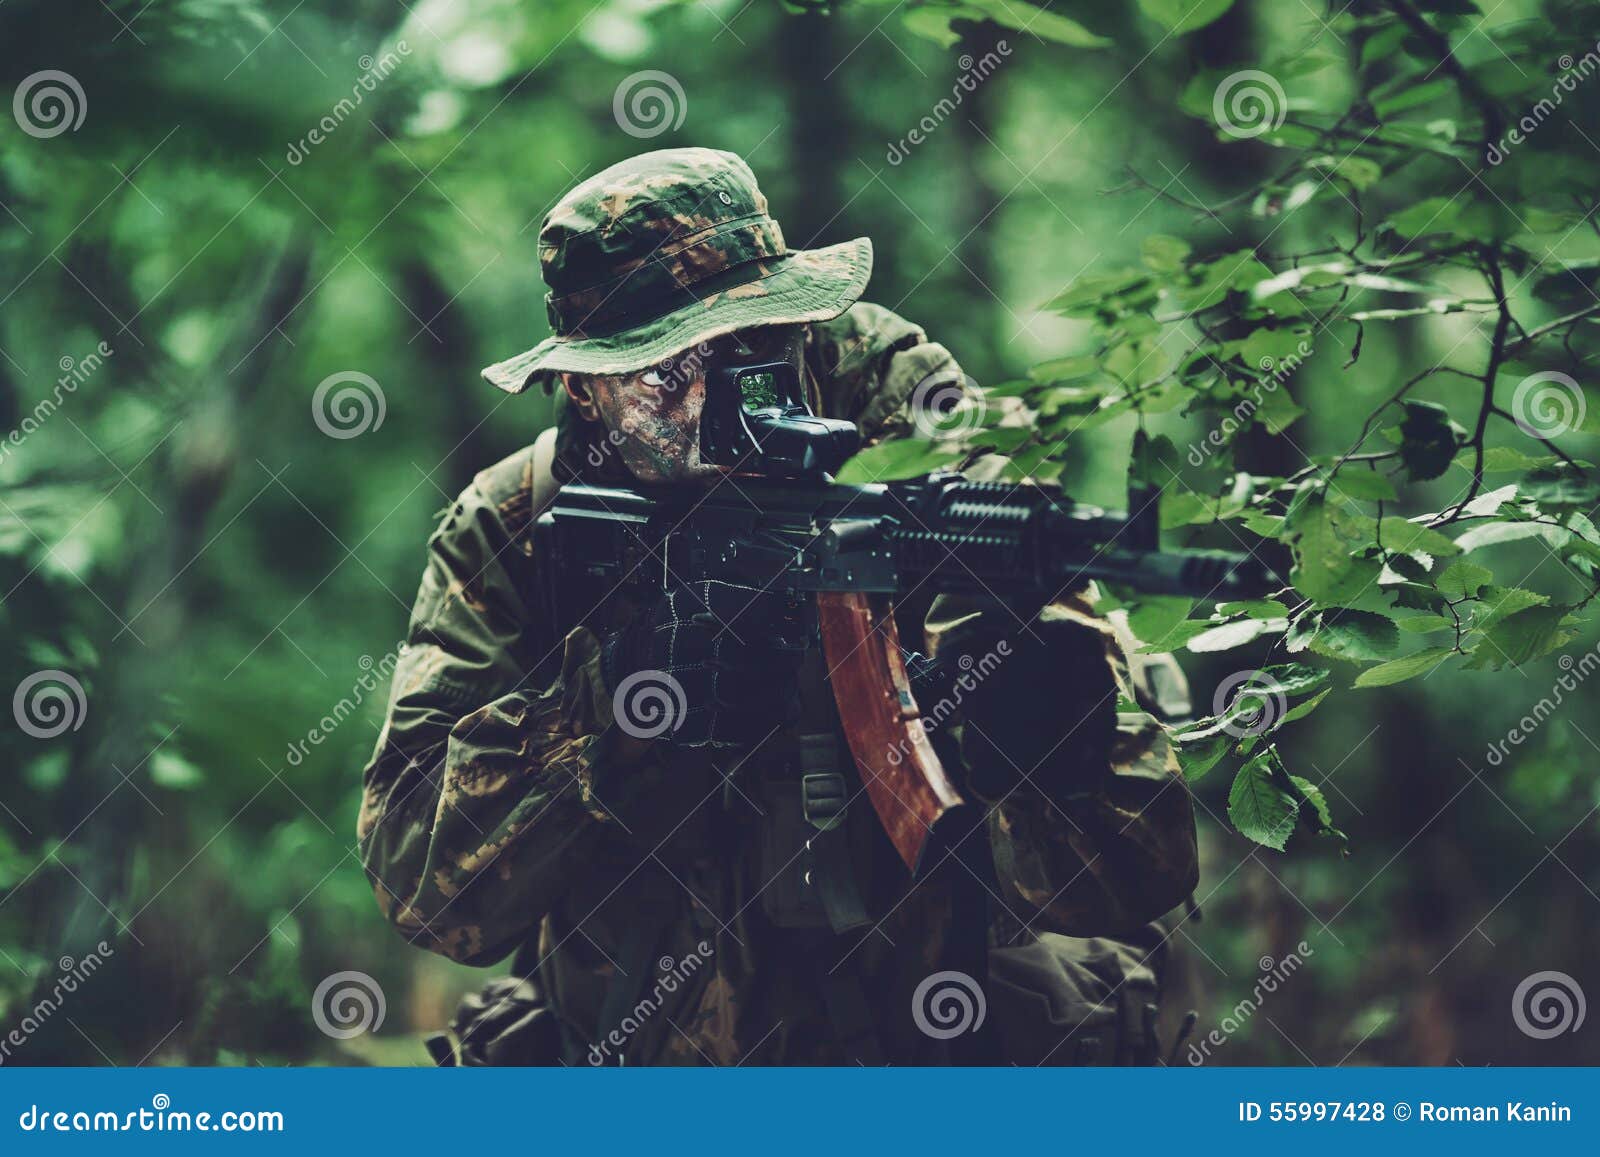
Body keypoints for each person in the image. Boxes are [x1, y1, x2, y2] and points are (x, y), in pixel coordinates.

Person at [359, 147, 1198, 1066]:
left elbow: (1134, 869)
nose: (718, 399)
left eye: (752, 343)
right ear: (582, 388)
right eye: (665, 374)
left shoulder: (924, 443)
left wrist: (1024, 737)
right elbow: (423, 886)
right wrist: (612, 710)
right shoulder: (521, 525)